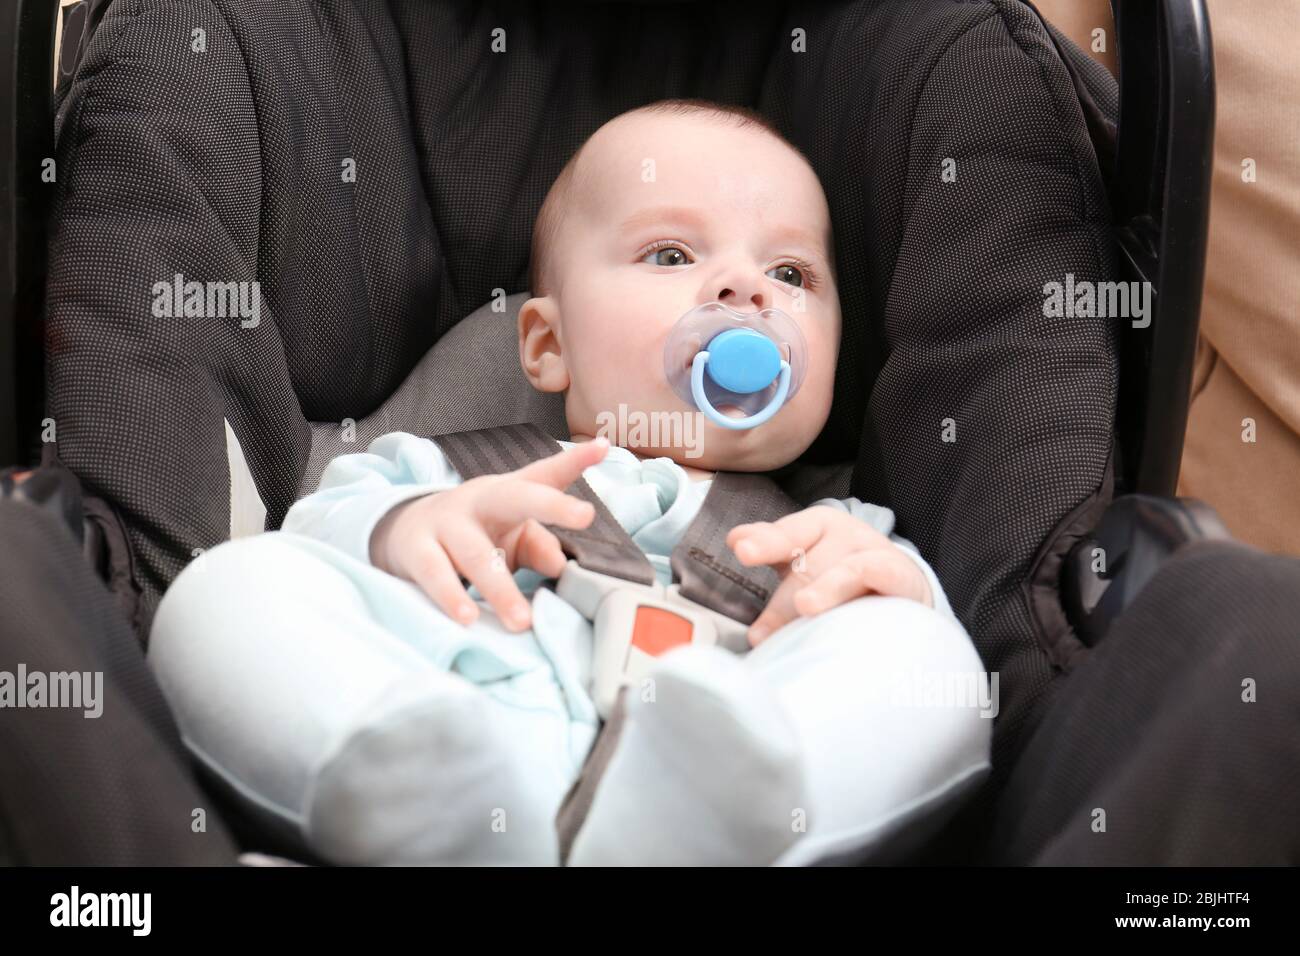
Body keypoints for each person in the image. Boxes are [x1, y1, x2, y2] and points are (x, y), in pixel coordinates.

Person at [147, 99, 991, 866]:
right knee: (226, 587)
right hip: (472, 725)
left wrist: (895, 590)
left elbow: (899, 648)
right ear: (547, 345)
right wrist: (411, 528)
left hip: (723, 749)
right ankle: (423, 800)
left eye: (792, 275)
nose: (745, 290)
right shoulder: (443, 470)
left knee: (930, 664)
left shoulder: (831, 531)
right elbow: (313, 535)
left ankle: (701, 831)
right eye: (671, 252)